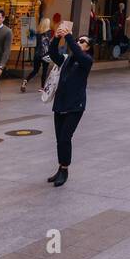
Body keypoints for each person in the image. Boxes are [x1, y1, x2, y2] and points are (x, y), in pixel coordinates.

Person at [47, 22, 93, 188]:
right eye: (78, 40)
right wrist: (56, 38)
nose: (79, 42)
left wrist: (68, 36)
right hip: (60, 104)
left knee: (66, 137)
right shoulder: (67, 60)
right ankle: (60, 167)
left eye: (82, 41)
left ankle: (65, 169)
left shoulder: (86, 60)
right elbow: (53, 54)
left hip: (75, 106)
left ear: (88, 47)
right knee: (60, 139)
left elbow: (78, 54)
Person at [23, 24, 53, 92]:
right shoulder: (49, 34)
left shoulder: (37, 34)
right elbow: (50, 45)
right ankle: (42, 87)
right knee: (44, 71)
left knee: (35, 70)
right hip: (45, 55)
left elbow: (33, 44)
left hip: (37, 55)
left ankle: (26, 80)